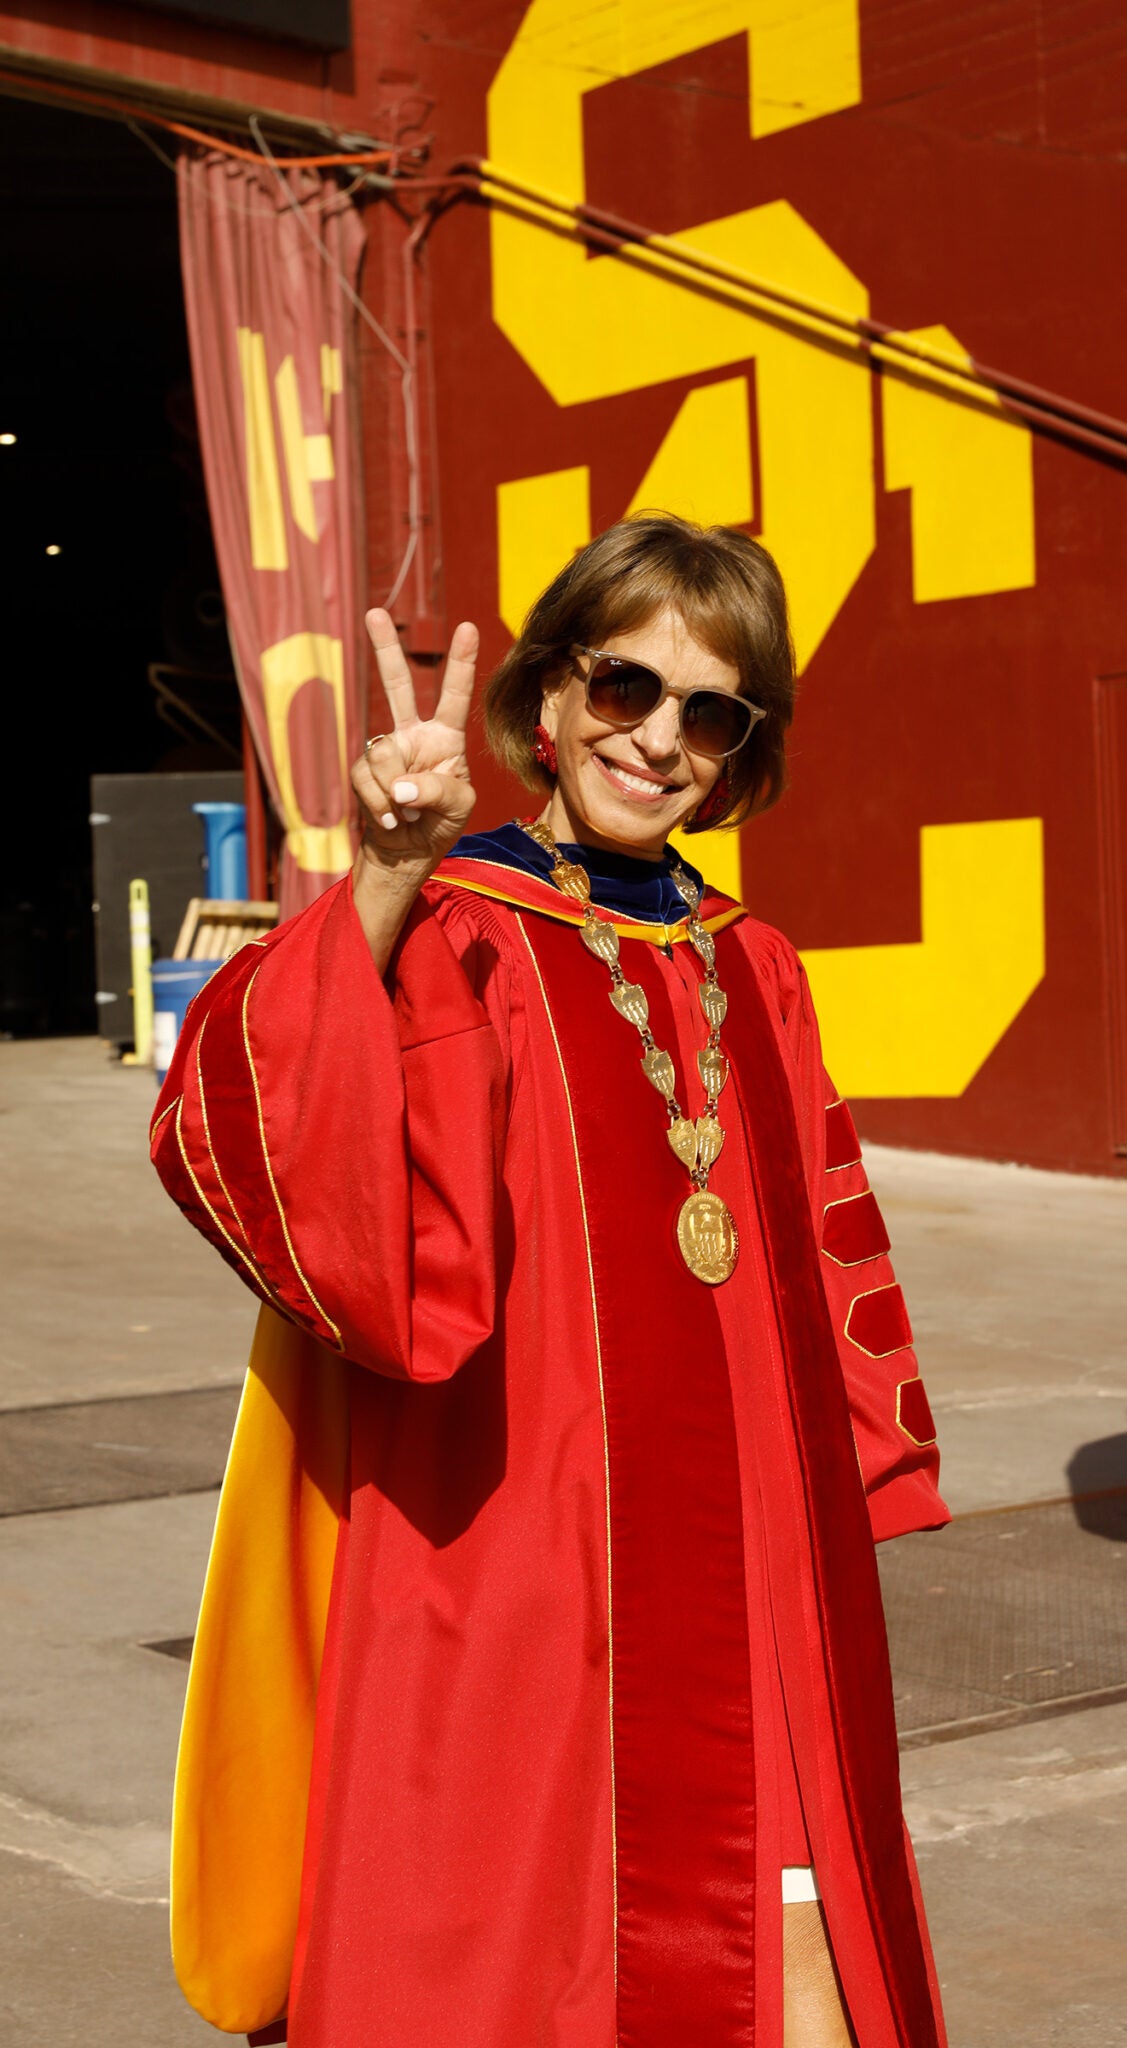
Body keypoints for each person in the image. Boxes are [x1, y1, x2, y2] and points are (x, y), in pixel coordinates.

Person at [152, 514, 950, 2048]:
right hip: (523, 1541)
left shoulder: (751, 959)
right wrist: (386, 870)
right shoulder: (457, 932)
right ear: (549, 699)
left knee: (798, 1961)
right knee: (530, 1944)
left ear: (744, 750)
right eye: (624, 687)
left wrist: (856, 1469)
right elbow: (254, 1121)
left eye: (709, 712)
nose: (657, 740)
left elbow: (826, 1247)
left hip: (762, 1555)